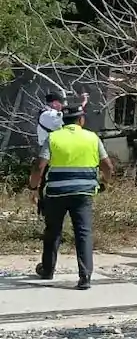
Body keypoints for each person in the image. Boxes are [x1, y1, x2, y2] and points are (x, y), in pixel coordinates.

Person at [27, 106, 113, 290]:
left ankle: (48, 270)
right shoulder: (92, 138)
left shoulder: (53, 138)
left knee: (53, 231)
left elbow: (39, 166)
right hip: (83, 194)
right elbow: (108, 166)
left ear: (63, 122)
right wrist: (105, 182)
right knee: (83, 233)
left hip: (56, 193)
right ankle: (85, 277)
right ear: (81, 120)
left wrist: (34, 188)